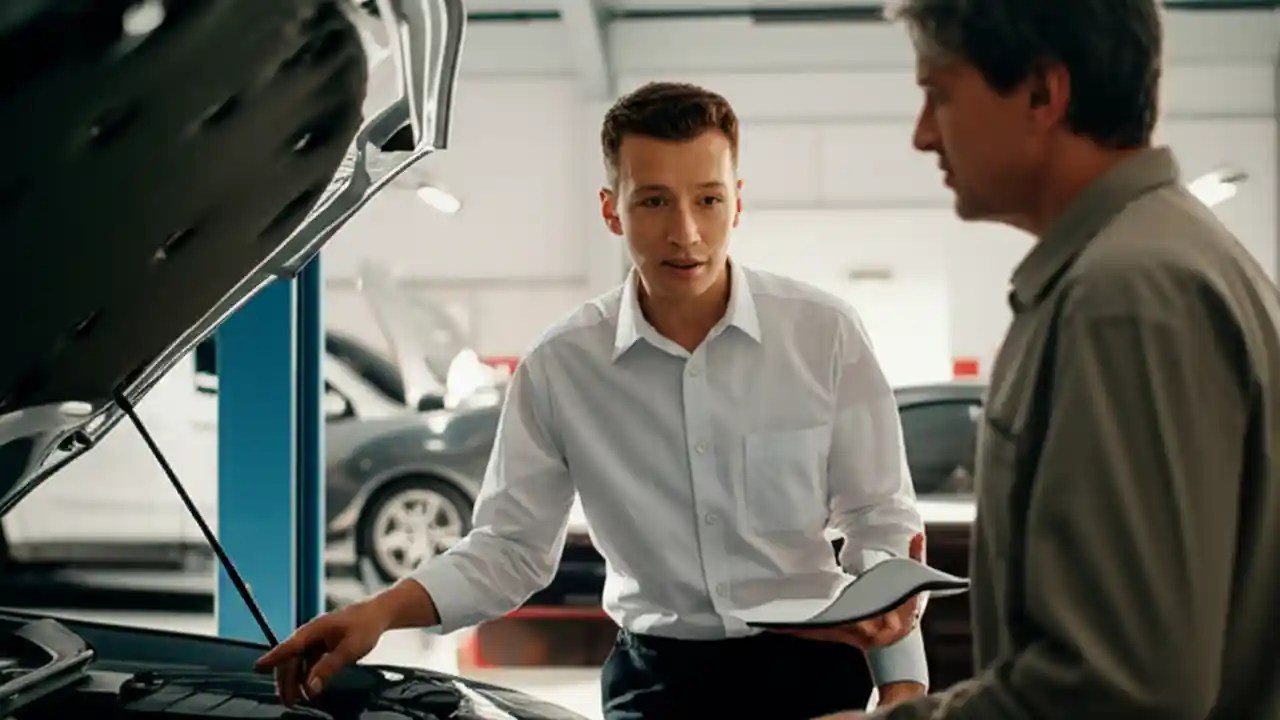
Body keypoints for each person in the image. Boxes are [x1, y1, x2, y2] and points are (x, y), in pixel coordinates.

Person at [254, 81, 934, 718]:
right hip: (657, 685)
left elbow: (880, 521)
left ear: (738, 200)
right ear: (612, 208)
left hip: (814, 674)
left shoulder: (824, 334)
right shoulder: (560, 366)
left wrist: (901, 695)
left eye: (708, 199)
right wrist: (378, 612)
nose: (686, 232)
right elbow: (511, 548)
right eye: (654, 200)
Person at [818, 1, 1280, 718]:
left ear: (1042, 93)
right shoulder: (1163, 260)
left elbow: (1121, 689)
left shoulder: (1126, 297)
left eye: (938, 94)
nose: (922, 135)